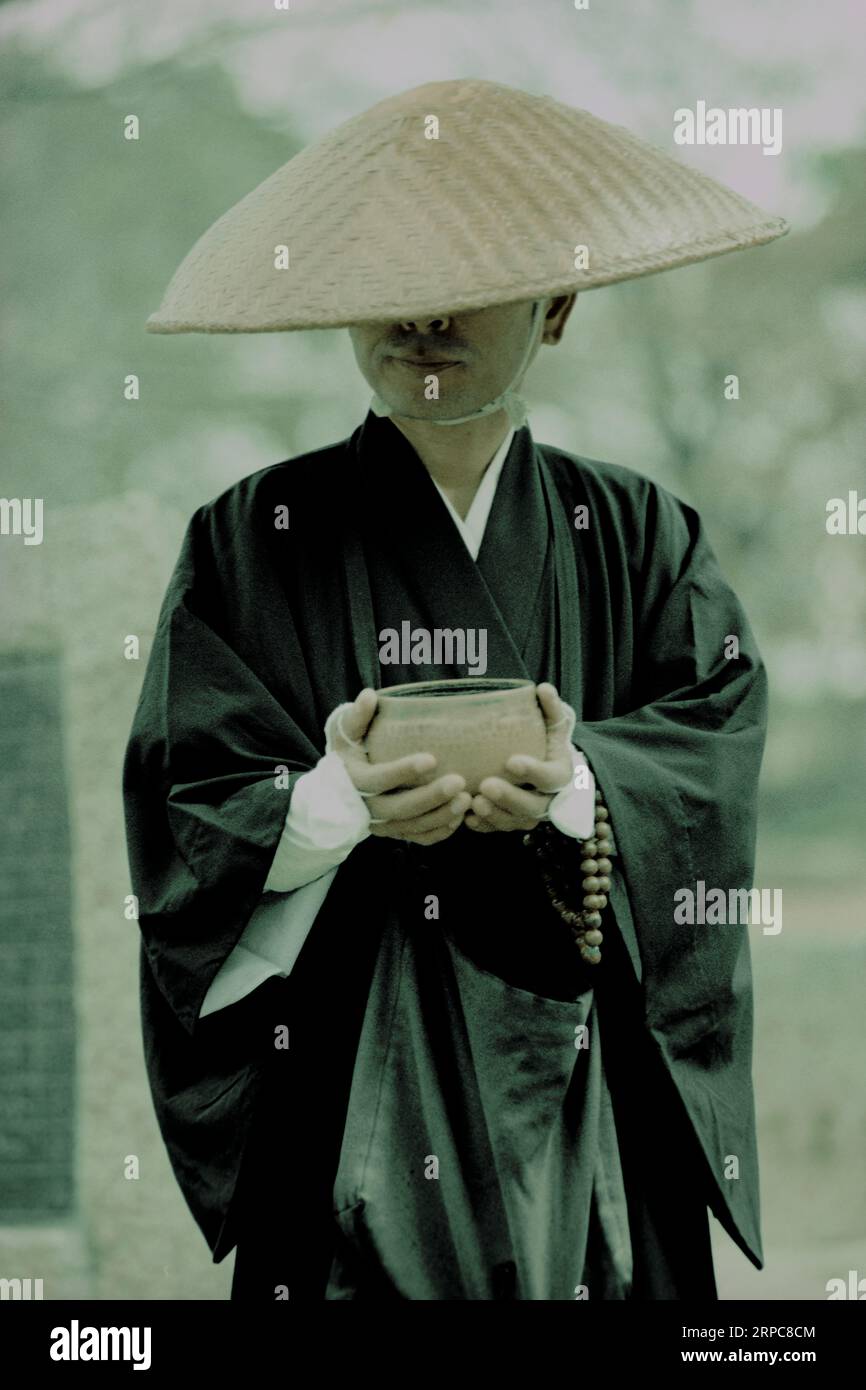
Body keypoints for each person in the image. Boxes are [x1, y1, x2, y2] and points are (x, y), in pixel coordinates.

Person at [123, 78, 788, 1300]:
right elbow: (185, 799)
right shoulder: (252, 537)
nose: (420, 319)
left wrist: (580, 788)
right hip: (340, 1080)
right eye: (385, 290)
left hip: (588, 1085)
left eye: (463, 282)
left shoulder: (636, 532)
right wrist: (331, 806)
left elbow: (711, 748)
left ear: (557, 308)